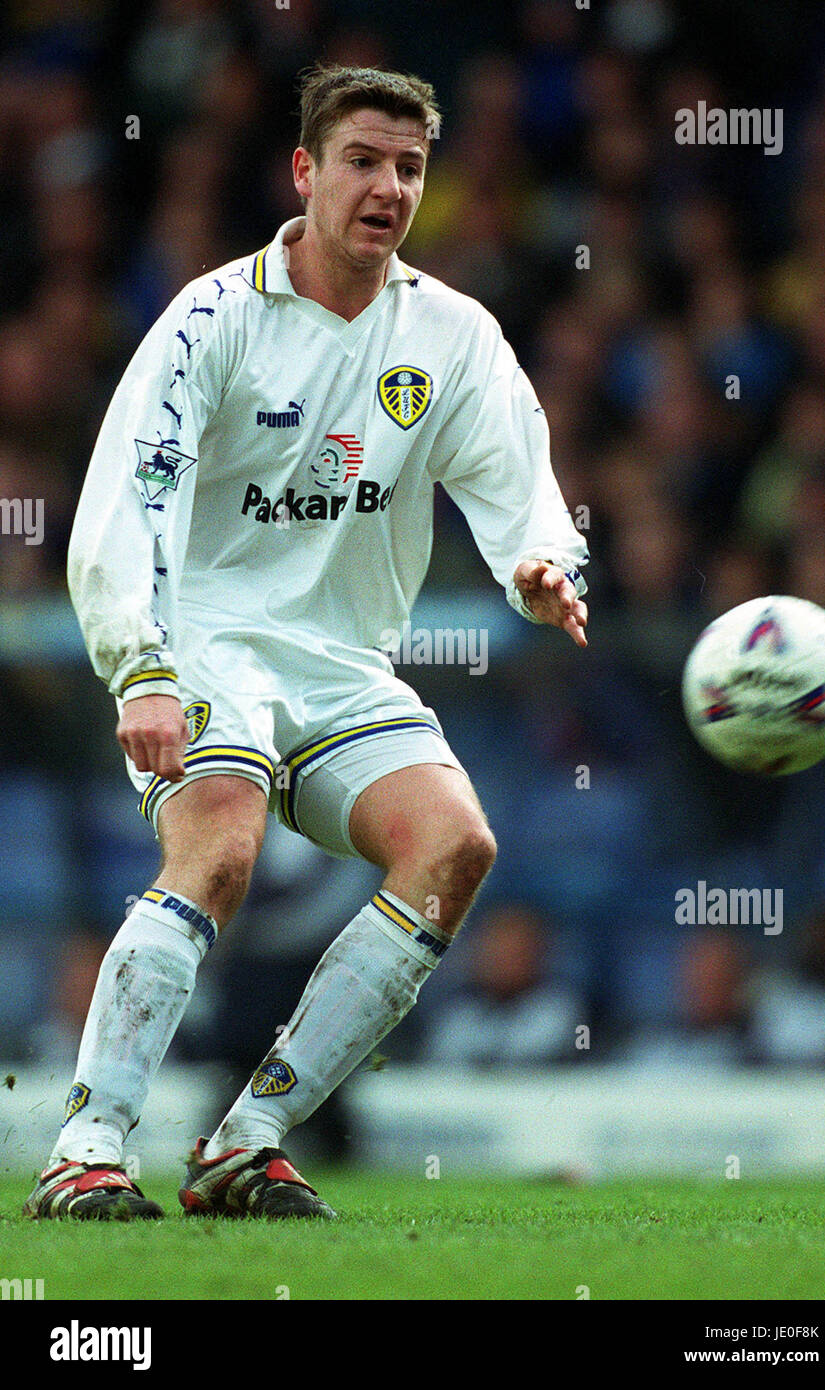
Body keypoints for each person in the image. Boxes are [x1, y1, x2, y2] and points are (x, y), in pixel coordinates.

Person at [25, 63, 588, 1221]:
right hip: (206, 641)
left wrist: (540, 564)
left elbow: (518, 480)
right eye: (363, 161)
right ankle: (85, 1146)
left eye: (409, 168)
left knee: (453, 844)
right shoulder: (212, 319)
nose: (387, 188)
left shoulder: (449, 331)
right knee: (219, 850)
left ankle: (247, 1139)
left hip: (340, 663)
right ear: (305, 170)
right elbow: (124, 502)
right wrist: (140, 666)